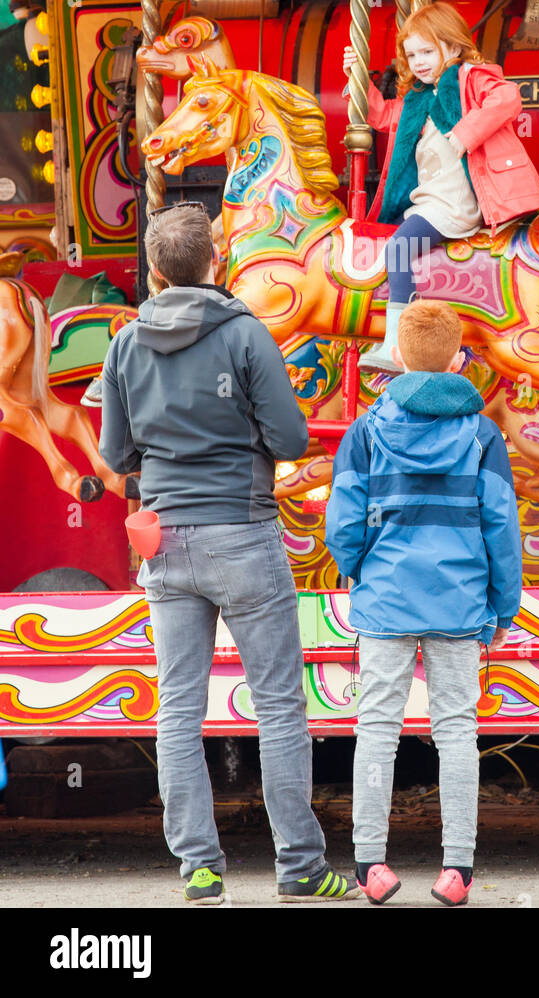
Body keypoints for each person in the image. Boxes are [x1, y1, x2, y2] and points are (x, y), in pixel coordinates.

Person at [100, 201, 357, 905]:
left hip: (166, 545)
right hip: (243, 534)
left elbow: (116, 455)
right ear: (216, 262)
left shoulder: (123, 345)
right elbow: (291, 439)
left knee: (177, 708)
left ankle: (200, 868)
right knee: (277, 704)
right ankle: (300, 866)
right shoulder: (245, 333)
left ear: (154, 270)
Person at [325, 298, 523, 907]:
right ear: (460, 359)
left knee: (376, 729)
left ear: (401, 359)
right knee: (458, 731)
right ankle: (457, 872)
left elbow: (343, 525)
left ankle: (370, 869)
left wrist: (363, 572)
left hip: (385, 602)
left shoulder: (365, 432)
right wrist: (503, 604)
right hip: (460, 605)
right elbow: (501, 527)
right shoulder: (484, 435)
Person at [343, 0, 539, 371]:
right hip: (429, 203)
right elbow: (385, 116)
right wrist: (358, 78)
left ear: (452, 46)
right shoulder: (418, 98)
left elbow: (508, 97)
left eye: (427, 51)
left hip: (455, 204)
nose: (419, 61)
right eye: (412, 54)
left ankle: (397, 342)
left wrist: (466, 132)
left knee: (399, 248)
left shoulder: (470, 77)